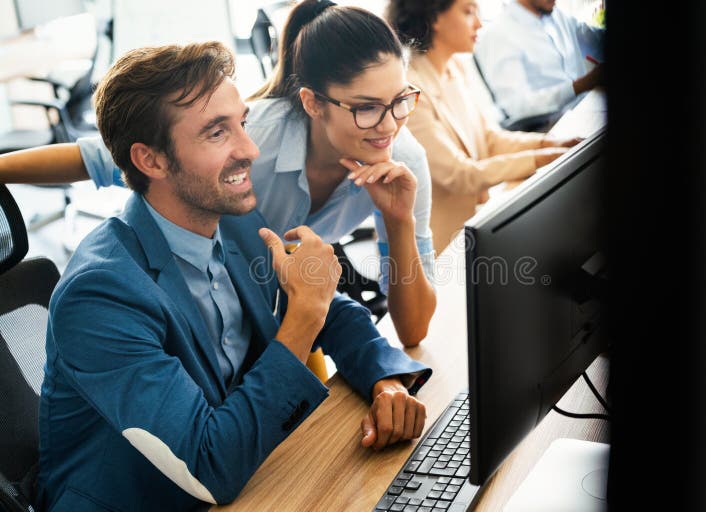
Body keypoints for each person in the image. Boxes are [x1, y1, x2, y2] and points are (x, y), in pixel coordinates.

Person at [36, 41, 431, 511]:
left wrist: (383, 380)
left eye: (241, 123)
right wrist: (303, 316)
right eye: (217, 133)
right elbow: (207, 466)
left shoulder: (235, 221)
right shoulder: (101, 294)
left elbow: (330, 310)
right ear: (151, 161)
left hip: (252, 480)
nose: (250, 149)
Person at [0, 0, 435, 347]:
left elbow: (413, 330)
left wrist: (399, 220)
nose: (389, 125)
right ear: (313, 103)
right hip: (203, 293)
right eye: (366, 108)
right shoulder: (251, 140)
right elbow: (97, 157)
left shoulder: (401, 164)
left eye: (400, 100)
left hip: (270, 294)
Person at [387, 0, 581, 253]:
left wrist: (546, 144)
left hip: (480, 220)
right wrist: (539, 159)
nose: (479, 23)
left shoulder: (455, 68)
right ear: (434, 17)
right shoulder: (410, 89)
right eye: (468, 12)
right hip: (444, 245)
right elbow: (459, 175)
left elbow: (487, 139)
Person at [473, 0, 605, 125]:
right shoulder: (499, 34)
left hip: (588, 115)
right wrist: (579, 86)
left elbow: (596, 41)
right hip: (549, 133)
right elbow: (516, 107)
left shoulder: (558, 15)